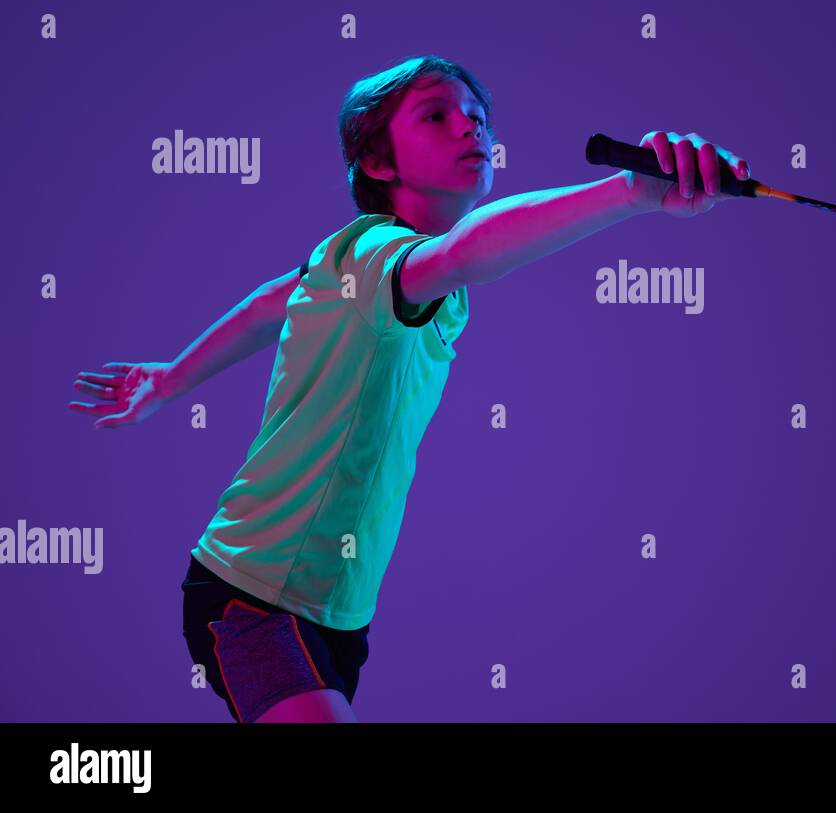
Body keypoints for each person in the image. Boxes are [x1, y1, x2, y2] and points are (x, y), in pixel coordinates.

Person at [68, 54, 751, 722]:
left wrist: (170, 377)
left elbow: (270, 304)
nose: (470, 128)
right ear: (377, 162)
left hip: (339, 617)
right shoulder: (372, 253)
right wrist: (630, 193)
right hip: (252, 594)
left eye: (478, 117)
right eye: (437, 115)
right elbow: (463, 253)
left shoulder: (344, 267)